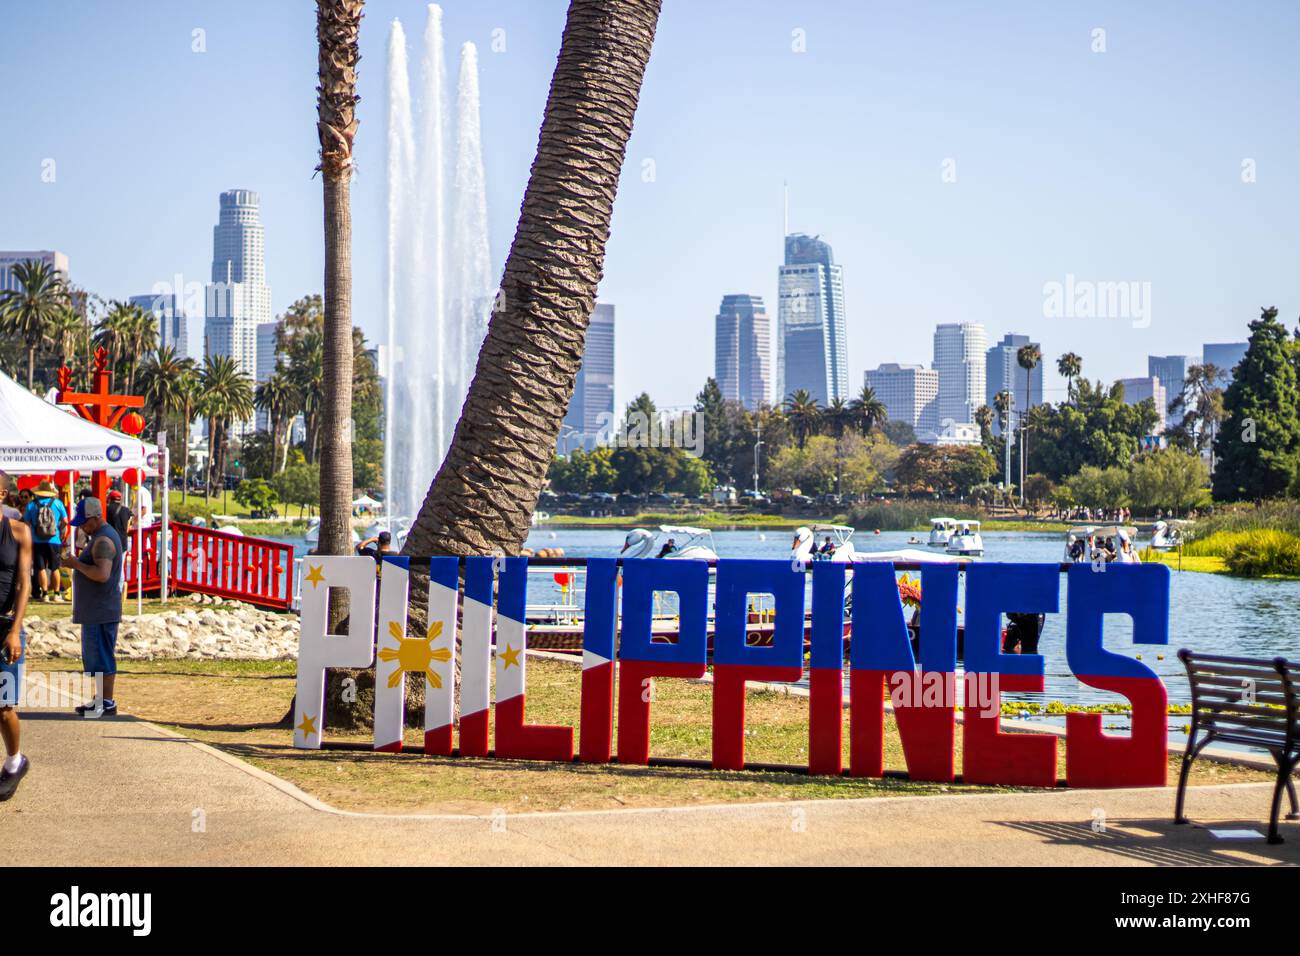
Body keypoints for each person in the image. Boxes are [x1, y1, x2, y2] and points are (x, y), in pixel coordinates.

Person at [65, 497, 124, 717]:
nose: (81, 526)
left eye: (84, 521)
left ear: (95, 518)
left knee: (103, 656)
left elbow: (102, 574)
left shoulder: (103, 541)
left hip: (101, 610)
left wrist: (76, 564)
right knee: (96, 658)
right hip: (96, 610)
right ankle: (100, 699)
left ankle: (106, 702)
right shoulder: (98, 537)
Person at [0, 505, 33, 800]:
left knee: (3, 706)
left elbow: (24, 583)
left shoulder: (19, 531)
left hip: (5, 626)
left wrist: (14, 630)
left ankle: (15, 761)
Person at [24, 480, 69, 603]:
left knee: (41, 567)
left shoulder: (31, 505)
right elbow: (65, 520)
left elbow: (26, 523)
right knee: (55, 568)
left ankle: (44, 594)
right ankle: (56, 594)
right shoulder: (58, 503)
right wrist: (59, 529)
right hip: (54, 540)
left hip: (37, 540)